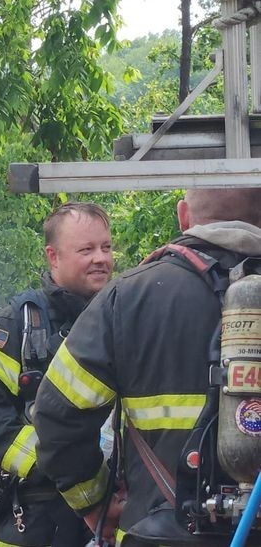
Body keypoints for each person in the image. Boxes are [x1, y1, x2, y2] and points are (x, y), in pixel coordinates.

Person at [33, 189, 261, 546]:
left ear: (184, 216)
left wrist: (94, 502)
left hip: (159, 532)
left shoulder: (127, 297)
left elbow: (57, 415)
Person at [0, 202, 114, 546]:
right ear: (53, 257)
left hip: (114, 516)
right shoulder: (16, 324)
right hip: (37, 519)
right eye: (86, 249)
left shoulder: (122, 319)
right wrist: (56, 466)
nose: (101, 258)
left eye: (106, 247)